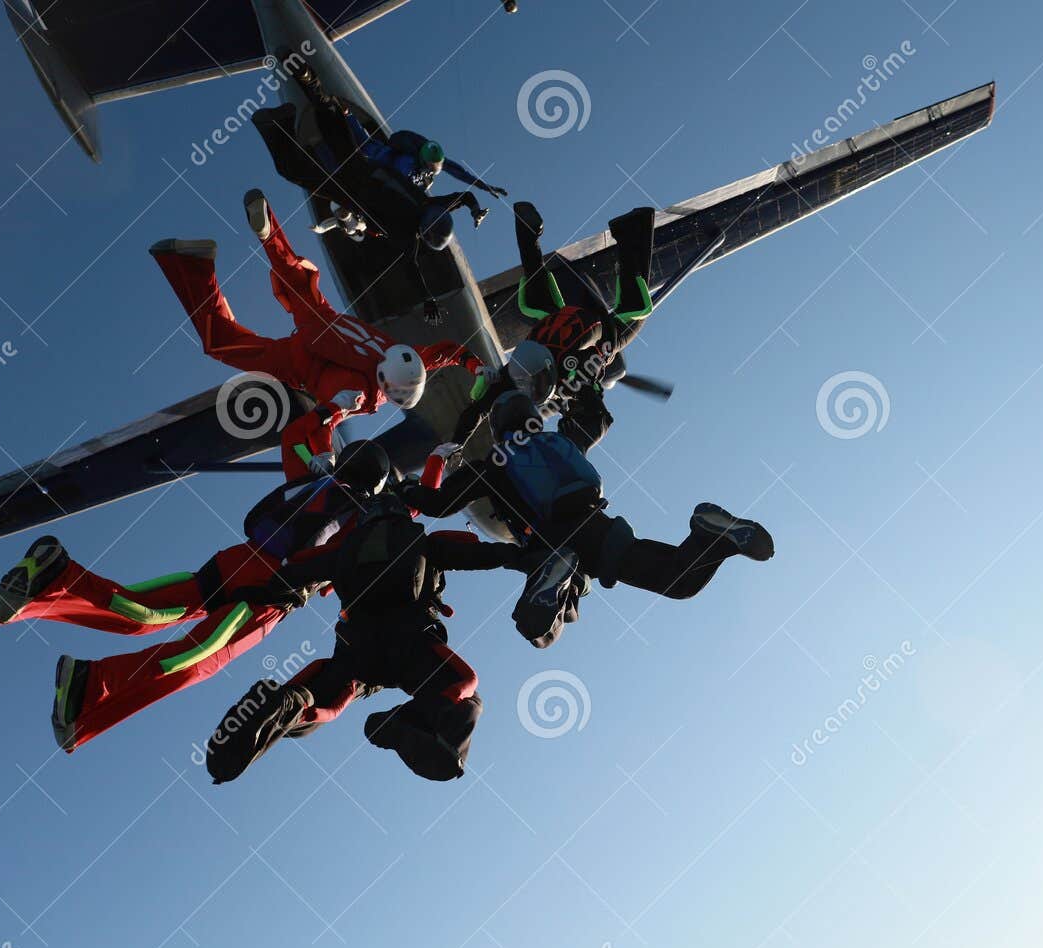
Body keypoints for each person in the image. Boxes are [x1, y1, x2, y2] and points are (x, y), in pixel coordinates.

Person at [0, 438, 393, 752]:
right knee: (190, 662)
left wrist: (329, 417)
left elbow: (299, 437)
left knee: (144, 613)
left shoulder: (314, 477)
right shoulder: (360, 516)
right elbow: (359, 560)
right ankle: (90, 686)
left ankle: (55, 579)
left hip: (236, 560)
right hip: (268, 594)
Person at [206, 485, 536, 784]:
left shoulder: (343, 551)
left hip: (356, 648)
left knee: (315, 697)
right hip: (411, 644)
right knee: (465, 700)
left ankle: (275, 708)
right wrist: (525, 558)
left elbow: (290, 575)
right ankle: (414, 727)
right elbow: (482, 555)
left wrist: (233, 593)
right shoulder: (424, 542)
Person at [402, 389, 773, 647]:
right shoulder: (563, 441)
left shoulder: (491, 467)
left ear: (498, 429)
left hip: (551, 540)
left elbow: (437, 505)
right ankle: (714, 536)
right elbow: (597, 418)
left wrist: (401, 491)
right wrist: (586, 390)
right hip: (600, 528)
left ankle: (555, 582)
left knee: (539, 630)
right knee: (676, 578)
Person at [150, 189, 487, 417]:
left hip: (325, 321)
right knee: (223, 344)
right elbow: (327, 407)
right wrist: (331, 423)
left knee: (296, 278)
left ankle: (270, 233)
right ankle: (191, 264)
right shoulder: (366, 394)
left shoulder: (402, 355)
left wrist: (475, 366)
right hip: (303, 360)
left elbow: (446, 352)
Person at [253, 68, 508, 317]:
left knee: (333, 120)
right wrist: (428, 298)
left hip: (364, 164)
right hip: (348, 188)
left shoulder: (430, 203)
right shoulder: (407, 234)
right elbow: (412, 268)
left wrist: (475, 207)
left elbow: (463, 196)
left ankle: (306, 78)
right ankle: (276, 123)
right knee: (293, 170)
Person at [451, 202, 656, 447]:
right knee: (540, 298)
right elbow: (477, 410)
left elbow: (599, 418)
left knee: (636, 314)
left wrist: (605, 354)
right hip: (565, 322)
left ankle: (631, 230)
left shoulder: (563, 371)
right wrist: (455, 443)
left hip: (586, 323)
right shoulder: (513, 373)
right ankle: (527, 233)